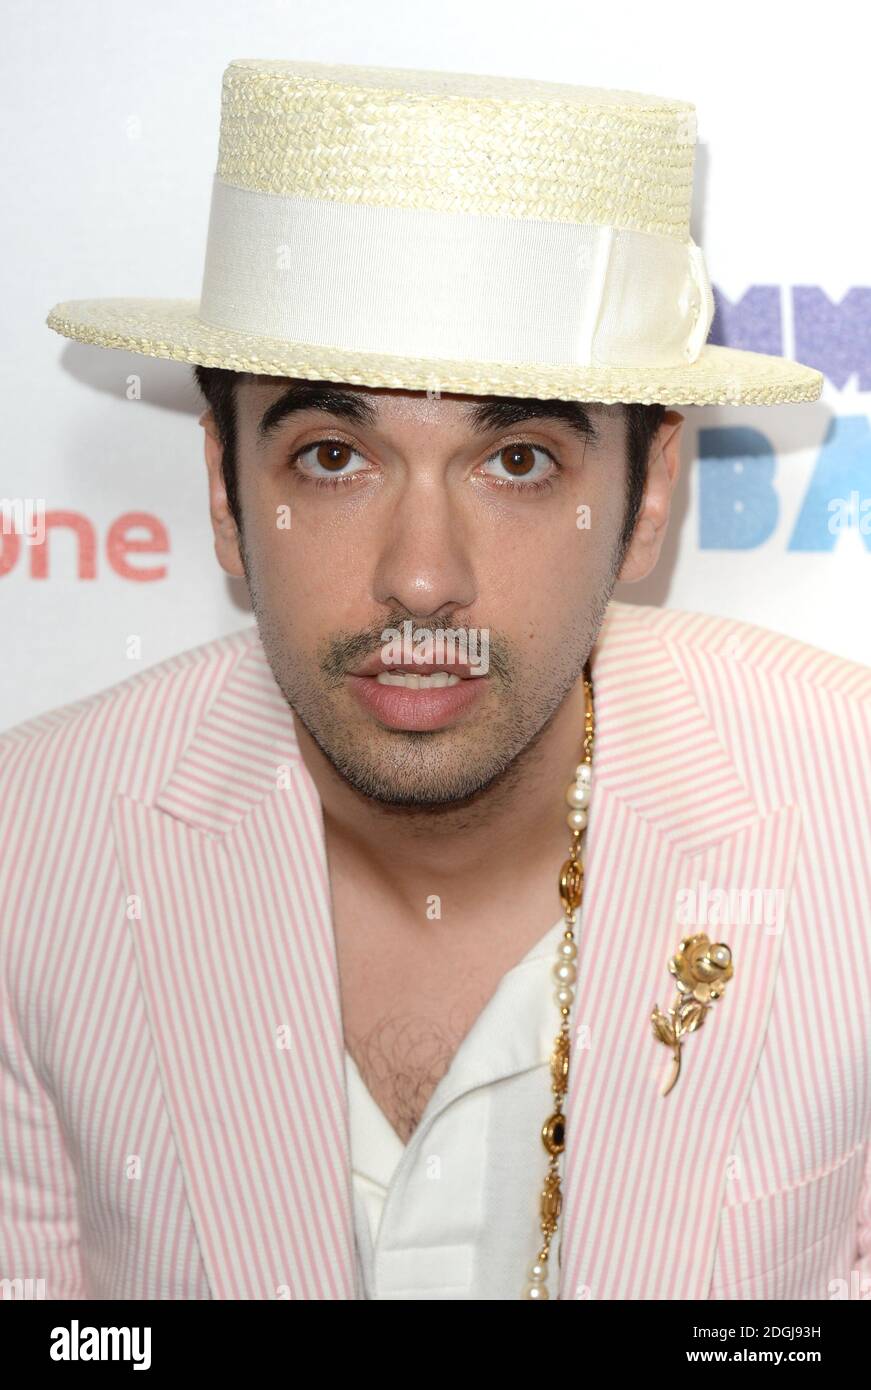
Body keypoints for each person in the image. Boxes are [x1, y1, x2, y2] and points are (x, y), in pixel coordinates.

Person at [2, 58, 868, 1302]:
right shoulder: (30, 854)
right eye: (332, 455)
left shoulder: (854, 823)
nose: (420, 579)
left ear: (647, 496)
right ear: (225, 492)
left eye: (515, 458)